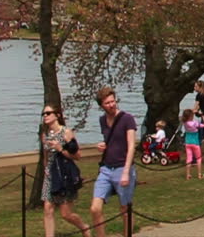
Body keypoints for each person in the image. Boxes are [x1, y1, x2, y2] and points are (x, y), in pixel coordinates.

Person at [90, 87, 137, 237]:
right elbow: (110, 141)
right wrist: (101, 146)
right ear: (101, 105)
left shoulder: (127, 119)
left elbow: (131, 146)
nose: (111, 105)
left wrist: (125, 172)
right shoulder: (102, 120)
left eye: (112, 101)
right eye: (107, 103)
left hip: (123, 167)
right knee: (95, 209)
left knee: (125, 210)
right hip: (106, 168)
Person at [40, 104, 90, 237]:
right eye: (43, 114)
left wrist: (60, 148)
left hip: (64, 175)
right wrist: (46, 168)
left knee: (65, 214)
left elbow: (77, 156)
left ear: (57, 115)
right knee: (48, 209)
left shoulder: (66, 132)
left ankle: (84, 227)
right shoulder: (45, 135)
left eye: (48, 113)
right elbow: (46, 156)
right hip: (51, 175)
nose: (45, 116)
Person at [182, 109, 204, 179]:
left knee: (189, 159)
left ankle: (188, 175)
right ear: (191, 116)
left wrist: (193, 111)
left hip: (187, 143)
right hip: (195, 143)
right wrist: (203, 116)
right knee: (198, 158)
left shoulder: (185, 123)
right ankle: (199, 174)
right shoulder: (195, 123)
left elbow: (185, 115)